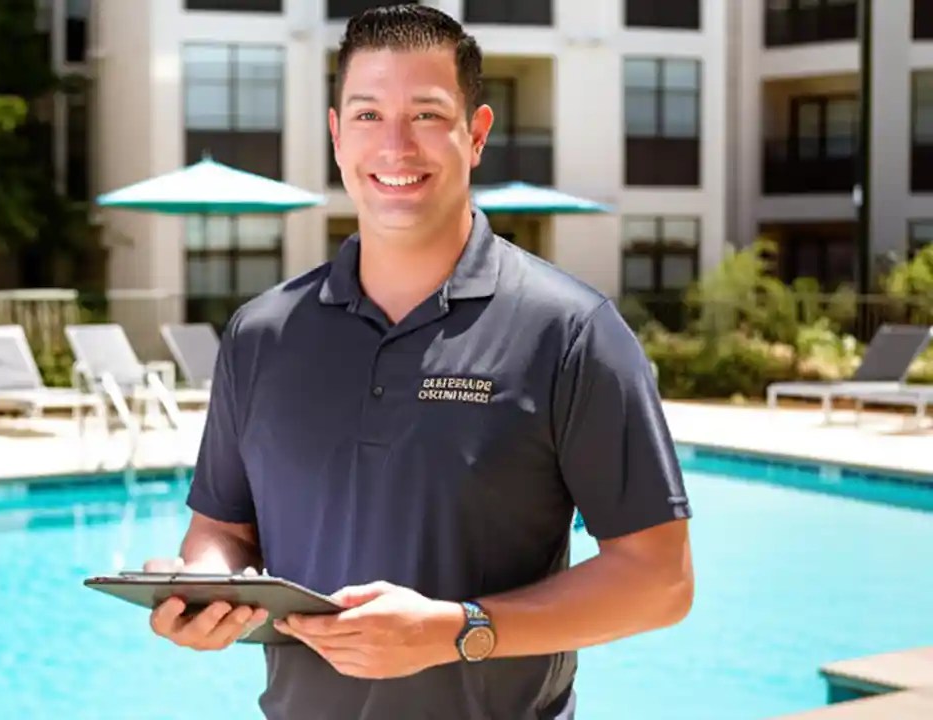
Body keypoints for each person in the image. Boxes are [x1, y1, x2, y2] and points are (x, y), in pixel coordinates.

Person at [143, 5, 694, 719]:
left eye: (427, 115)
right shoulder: (261, 335)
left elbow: (660, 582)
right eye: (368, 115)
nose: (395, 146)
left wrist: (459, 631)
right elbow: (222, 528)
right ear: (337, 134)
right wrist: (205, 586)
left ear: (477, 133)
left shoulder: (572, 332)